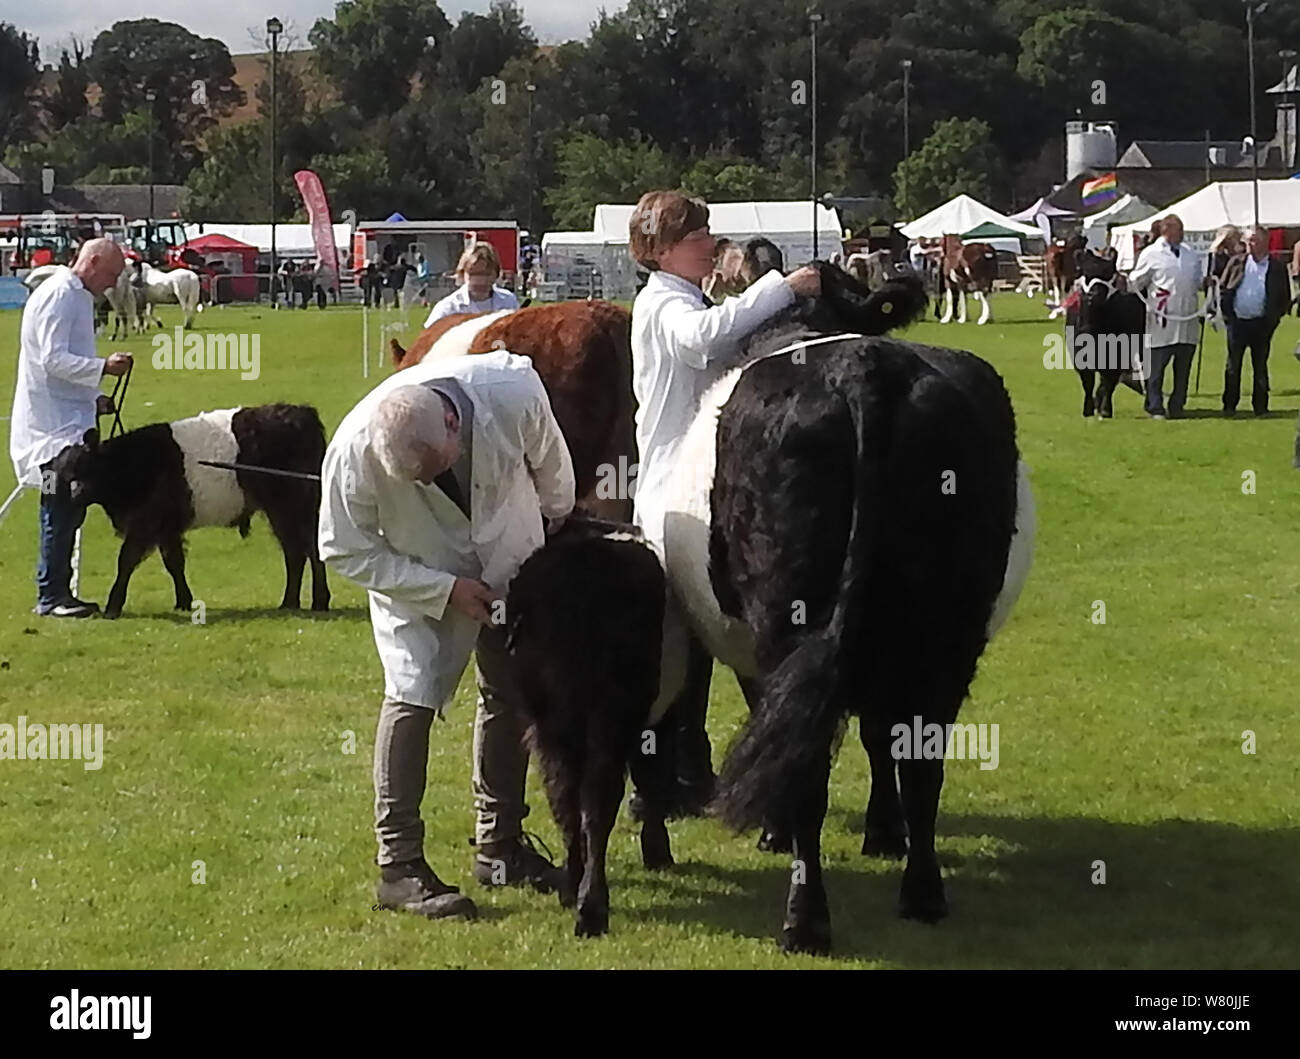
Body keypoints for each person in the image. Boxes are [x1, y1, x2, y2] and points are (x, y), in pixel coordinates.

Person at [318, 350, 575, 922]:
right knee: (409, 699)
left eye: (437, 469)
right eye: (418, 481)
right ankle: (399, 867)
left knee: (510, 694)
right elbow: (342, 548)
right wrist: (440, 589)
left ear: (453, 420)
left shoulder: (513, 389)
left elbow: (554, 473)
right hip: (416, 579)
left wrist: (552, 533)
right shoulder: (354, 449)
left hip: (512, 555)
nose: (431, 482)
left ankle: (501, 845)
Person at [625, 189, 821, 813]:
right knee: (676, 657)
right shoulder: (663, 304)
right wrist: (782, 289)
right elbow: (703, 342)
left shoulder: (684, 295)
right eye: (696, 235)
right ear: (660, 250)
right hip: (673, 496)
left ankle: (725, 778)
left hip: (707, 489)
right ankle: (662, 785)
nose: (709, 242)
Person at [9, 237, 133, 617]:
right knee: (57, 508)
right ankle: (51, 596)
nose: (112, 284)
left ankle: (59, 592)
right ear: (92, 262)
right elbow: (52, 360)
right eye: (110, 274)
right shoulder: (59, 295)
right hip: (48, 435)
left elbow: (68, 361)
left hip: (71, 426)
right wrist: (103, 368)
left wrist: (94, 396)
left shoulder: (78, 297)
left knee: (68, 509)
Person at [1125, 215, 1204, 419]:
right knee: (1156, 367)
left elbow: (1197, 281)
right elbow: (1136, 281)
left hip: (1187, 318)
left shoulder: (1190, 254)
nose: (1182, 233)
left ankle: (1178, 404)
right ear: (1166, 231)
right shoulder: (1151, 254)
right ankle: (1155, 405)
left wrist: (1208, 284)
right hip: (1161, 319)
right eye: (1178, 229)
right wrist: (1130, 283)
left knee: (1183, 368)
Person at [1217, 226, 1291, 417]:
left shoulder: (1276, 267)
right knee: (1233, 366)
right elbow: (1224, 289)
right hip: (1237, 322)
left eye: (1254, 240)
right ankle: (1229, 405)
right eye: (1248, 241)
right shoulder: (1236, 262)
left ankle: (1260, 406)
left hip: (1262, 323)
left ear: (1265, 242)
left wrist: (1273, 319)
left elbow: (1284, 297)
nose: (1250, 245)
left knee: (1260, 366)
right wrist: (1227, 316)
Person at [424, 242, 519, 327]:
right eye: (473, 274)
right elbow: (428, 340)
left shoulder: (509, 301)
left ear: (496, 274)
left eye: (486, 274)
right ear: (462, 274)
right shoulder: (449, 307)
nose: (479, 281)